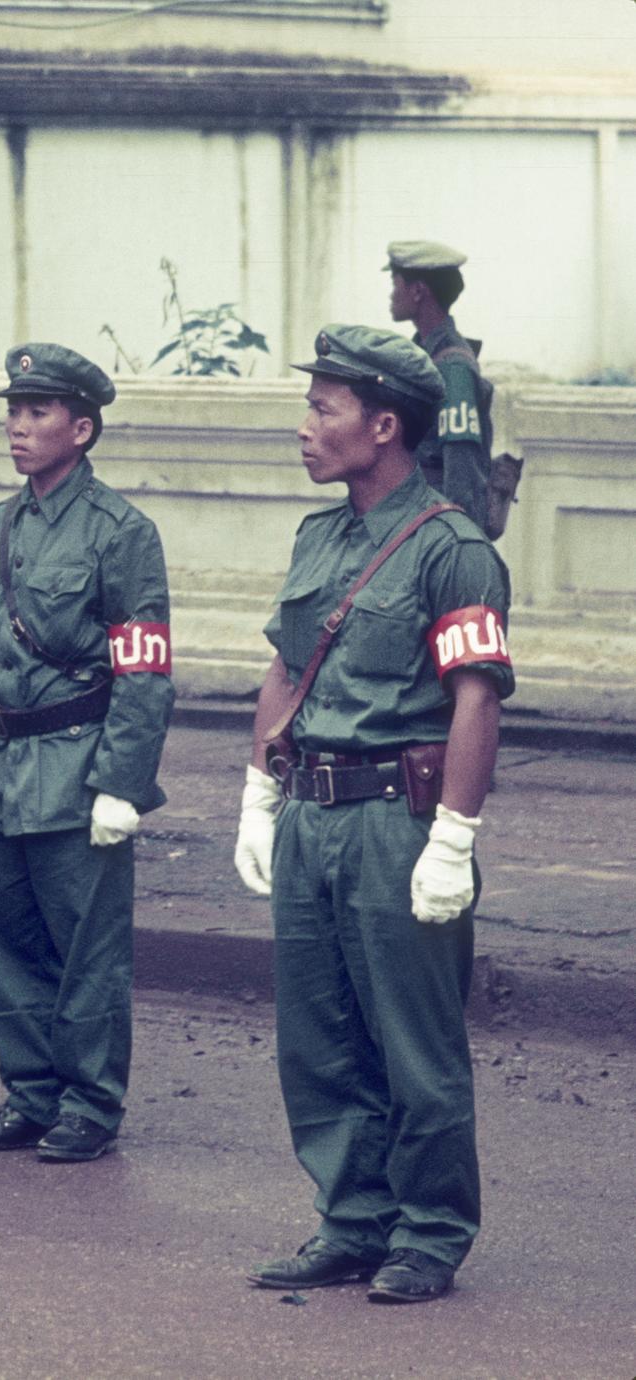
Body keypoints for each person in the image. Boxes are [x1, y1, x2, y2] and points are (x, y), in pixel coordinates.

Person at [235, 324, 512, 1304]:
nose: (305, 426)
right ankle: (352, 1220)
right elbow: (286, 666)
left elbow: (476, 698)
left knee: (412, 1041)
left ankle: (429, 1233)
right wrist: (259, 793)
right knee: (319, 1038)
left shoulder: (453, 549)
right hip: (311, 813)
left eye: (324, 408)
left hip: (399, 820)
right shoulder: (319, 537)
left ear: (384, 425)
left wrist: (454, 839)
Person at [0, 343, 174, 1164]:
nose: (18, 425)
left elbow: (144, 667)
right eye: (13, 410)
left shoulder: (121, 532)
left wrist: (123, 783)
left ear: (81, 429)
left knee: (86, 948)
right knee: (5, 938)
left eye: (37, 412)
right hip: (7, 767)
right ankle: (33, 1093)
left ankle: (89, 1102)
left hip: (79, 766)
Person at [386, 241, 494, 532]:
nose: (391, 294)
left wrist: (457, 539)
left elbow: (463, 471)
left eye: (395, 283)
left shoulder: (452, 368)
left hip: (436, 529)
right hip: (414, 519)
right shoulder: (421, 356)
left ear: (418, 291)